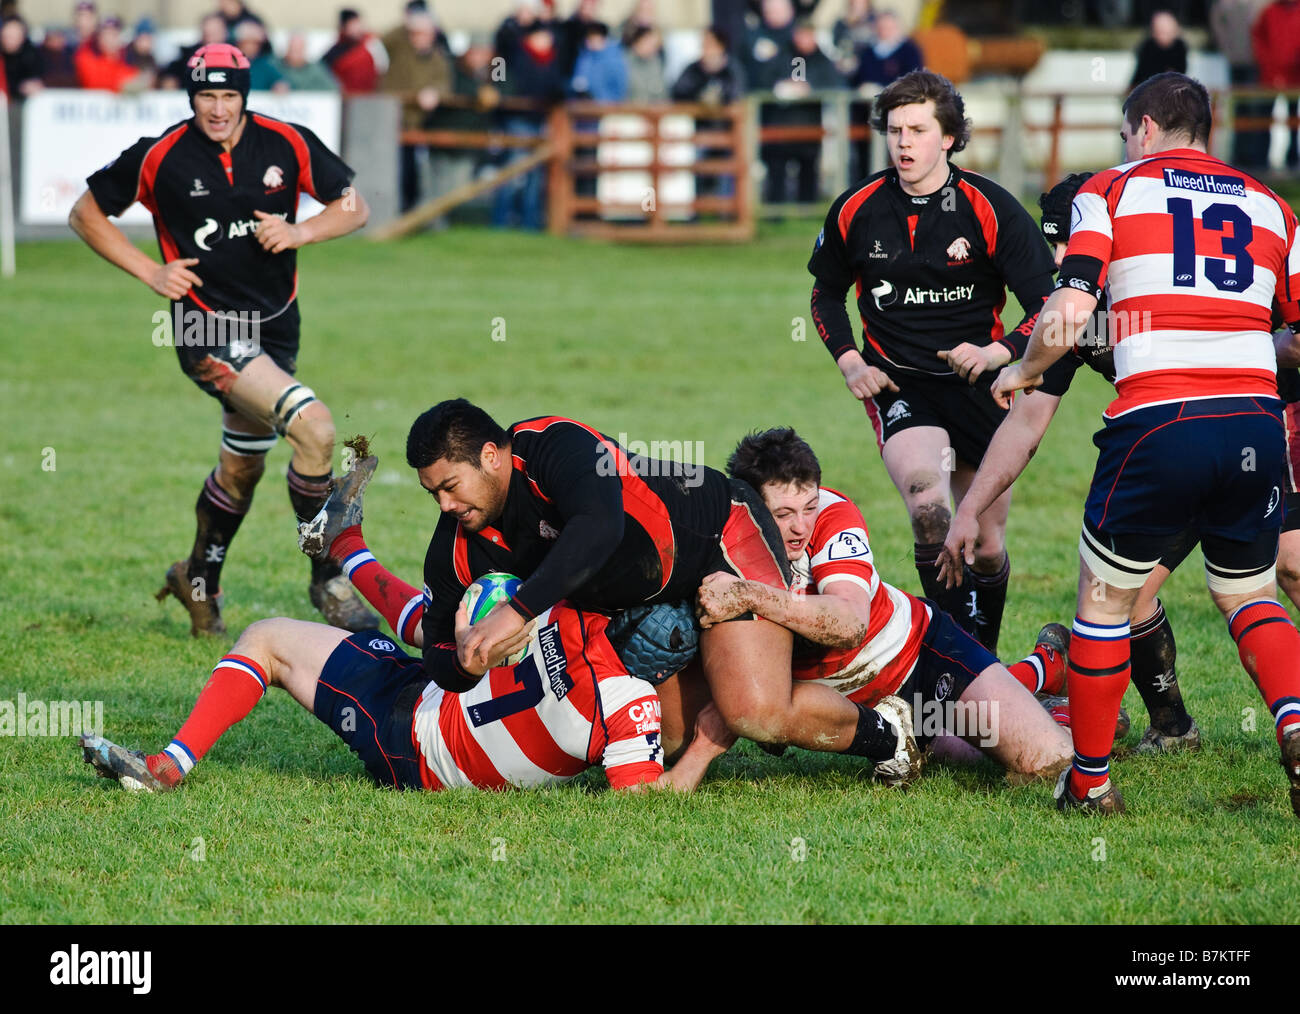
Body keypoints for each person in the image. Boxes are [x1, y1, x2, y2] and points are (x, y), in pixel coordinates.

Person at [991, 72, 1300, 816]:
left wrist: (1018, 369)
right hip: (1256, 424)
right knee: (1246, 591)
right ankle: (1296, 720)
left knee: (1102, 599)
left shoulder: (1113, 190)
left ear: (1146, 129)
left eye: (1131, 133)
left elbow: (1067, 316)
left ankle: (1091, 786)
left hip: (1161, 420)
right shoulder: (1273, 207)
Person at [400, 400, 909, 768]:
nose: (445, 506)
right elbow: (437, 646)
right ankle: (735, 679)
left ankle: (889, 735)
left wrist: (517, 611)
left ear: (491, 455)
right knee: (663, 744)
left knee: (757, 712)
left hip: (721, 537)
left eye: (450, 486)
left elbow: (600, 527)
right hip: (649, 597)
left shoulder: (553, 442)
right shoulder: (456, 542)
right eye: (433, 494)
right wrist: (464, 662)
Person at [67, 42, 378, 638]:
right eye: (206, 96)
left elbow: (353, 207)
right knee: (315, 427)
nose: (217, 108)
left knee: (242, 467)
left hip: (277, 325)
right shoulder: (161, 155)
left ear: (244, 96)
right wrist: (150, 272)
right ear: (191, 98)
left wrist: (301, 231)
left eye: (228, 95)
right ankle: (329, 579)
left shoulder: (285, 142)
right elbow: (85, 213)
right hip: (204, 328)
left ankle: (198, 579)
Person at [939, 172, 1199, 754]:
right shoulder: (1072, 314)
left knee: (1278, 570)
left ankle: (1063, 701)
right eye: (1053, 245)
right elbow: (1025, 425)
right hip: (1171, 449)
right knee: (1127, 591)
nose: (1060, 260)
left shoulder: (1157, 286)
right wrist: (970, 512)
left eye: (1067, 242)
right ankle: (1173, 728)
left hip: (1240, 428)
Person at [807, 69, 1056, 655]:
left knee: (987, 545)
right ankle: (955, 660)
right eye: (894, 130)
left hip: (984, 389)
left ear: (948, 137)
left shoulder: (990, 207)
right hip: (902, 386)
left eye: (918, 129)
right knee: (929, 511)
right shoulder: (857, 208)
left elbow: (1049, 301)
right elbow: (824, 294)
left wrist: (999, 351)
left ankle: (983, 655)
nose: (903, 143)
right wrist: (850, 363)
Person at [1252, 0, 1300, 170]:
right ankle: (1260, 160)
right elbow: (1259, 39)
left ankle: (1293, 159)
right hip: (1269, 76)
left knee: (1293, 119)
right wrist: (1268, 67)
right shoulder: (1270, 12)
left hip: (1294, 76)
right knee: (1264, 118)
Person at [1129, 10, 1187, 91]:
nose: (1163, 35)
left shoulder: (1180, 48)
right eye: (1160, 31)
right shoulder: (1147, 48)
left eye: (1166, 32)